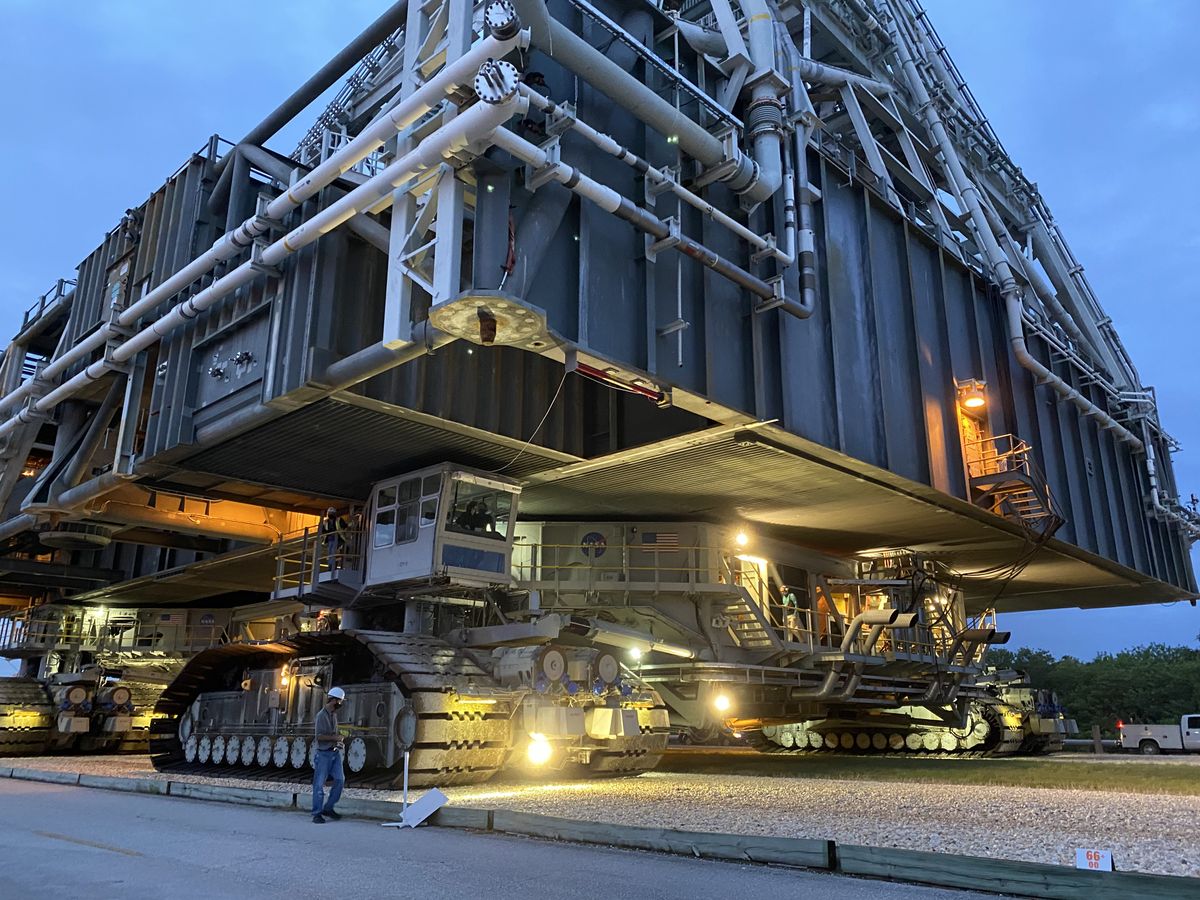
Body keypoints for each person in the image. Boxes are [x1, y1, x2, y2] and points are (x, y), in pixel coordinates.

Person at [311, 686, 347, 823]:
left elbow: (331, 734)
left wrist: (337, 741)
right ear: (333, 700)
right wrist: (335, 738)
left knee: (340, 779)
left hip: (334, 753)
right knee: (318, 784)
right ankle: (317, 813)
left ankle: (328, 808)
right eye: (340, 701)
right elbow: (318, 737)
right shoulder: (321, 715)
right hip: (323, 754)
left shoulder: (333, 715)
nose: (341, 704)